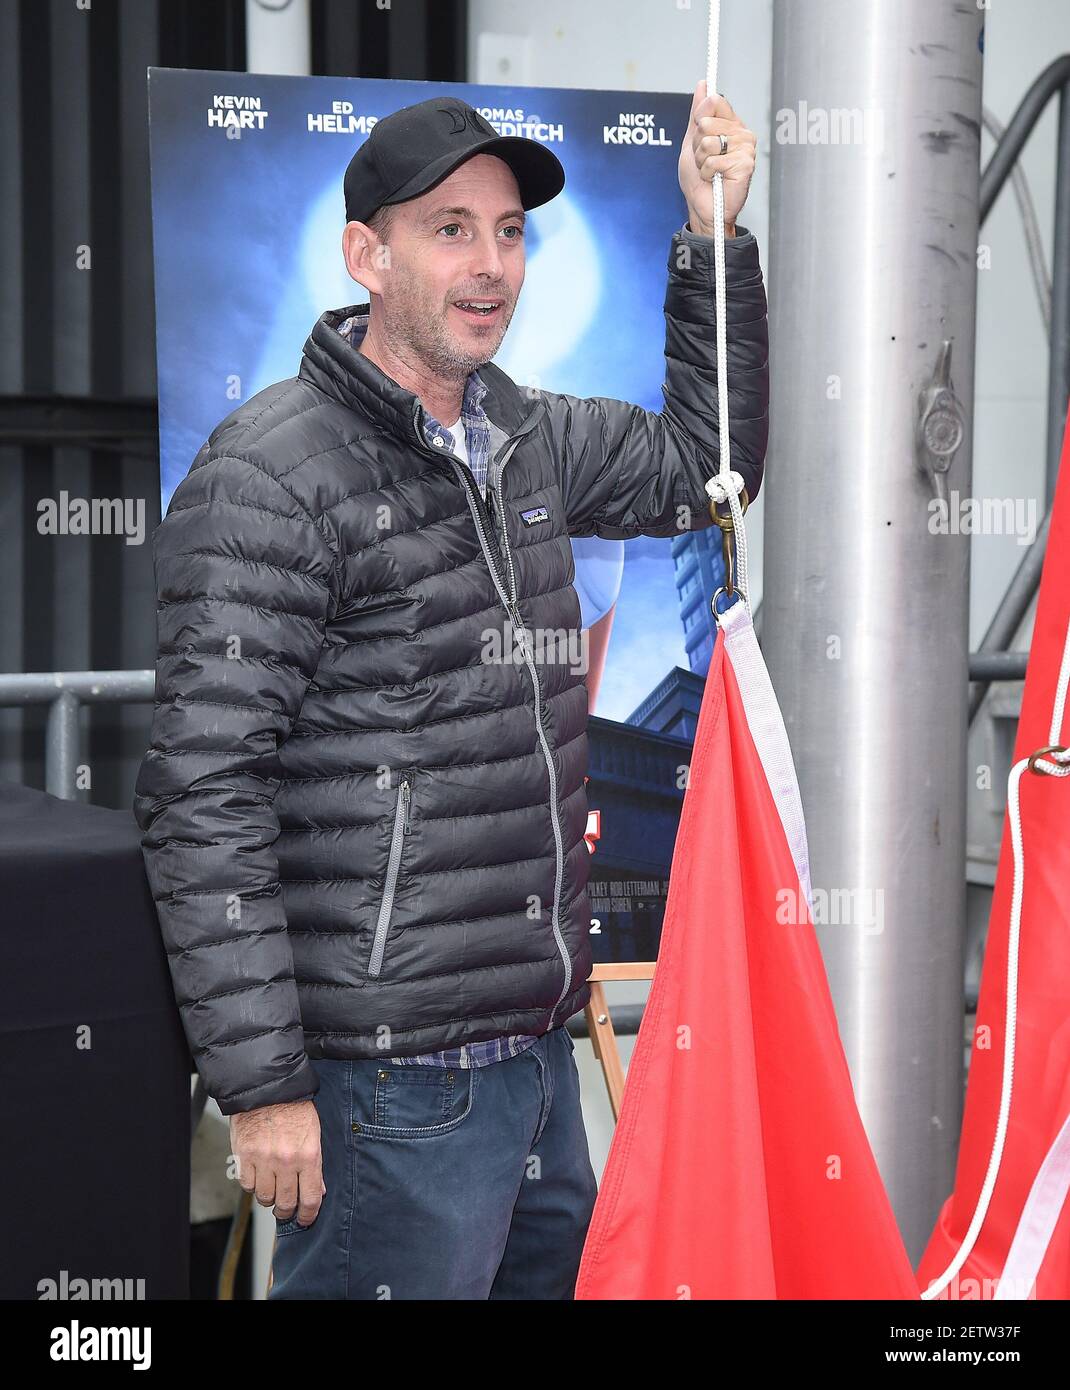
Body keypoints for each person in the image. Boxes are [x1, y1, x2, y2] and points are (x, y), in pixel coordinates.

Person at [133, 81, 766, 1300]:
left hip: (534, 1070)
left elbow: (709, 469)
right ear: (366, 254)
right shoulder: (270, 470)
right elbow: (204, 796)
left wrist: (712, 240)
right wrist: (263, 1085)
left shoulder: (532, 437)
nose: (490, 265)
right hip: (385, 1088)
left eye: (510, 231)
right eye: (450, 229)